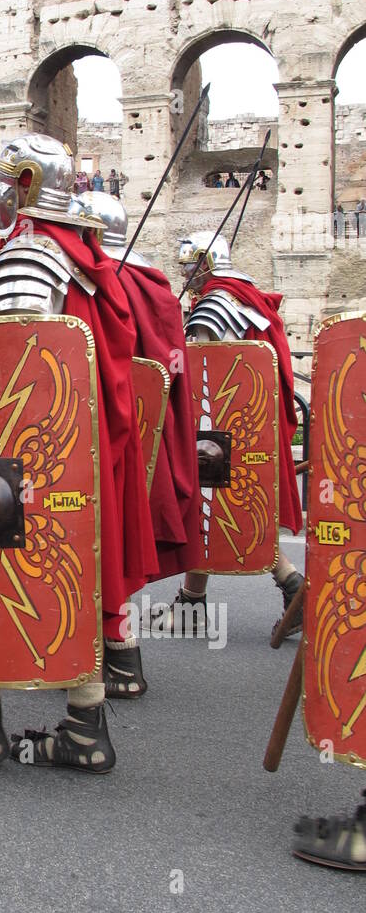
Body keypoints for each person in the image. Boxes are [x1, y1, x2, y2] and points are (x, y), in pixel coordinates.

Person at [0, 133, 158, 771]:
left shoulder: (28, 258)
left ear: (23, 186)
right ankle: (83, 729)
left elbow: (11, 368)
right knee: (74, 572)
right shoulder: (84, 258)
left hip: (22, 455)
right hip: (78, 455)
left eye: (3, 179)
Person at [75, 191, 201, 697]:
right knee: (115, 540)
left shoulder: (108, 283)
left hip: (109, 426)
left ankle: (95, 679)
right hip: (149, 428)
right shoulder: (157, 285)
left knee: (95, 538)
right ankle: (122, 659)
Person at [160, 231, 304, 638]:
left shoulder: (215, 306)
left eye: (189, 263)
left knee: (217, 512)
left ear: (206, 263)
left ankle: (294, 586)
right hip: (243, 428)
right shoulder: (245, 298)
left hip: (218, 434)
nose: (184, 271)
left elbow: (199, 371)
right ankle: (191, 602)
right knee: (212, 512)